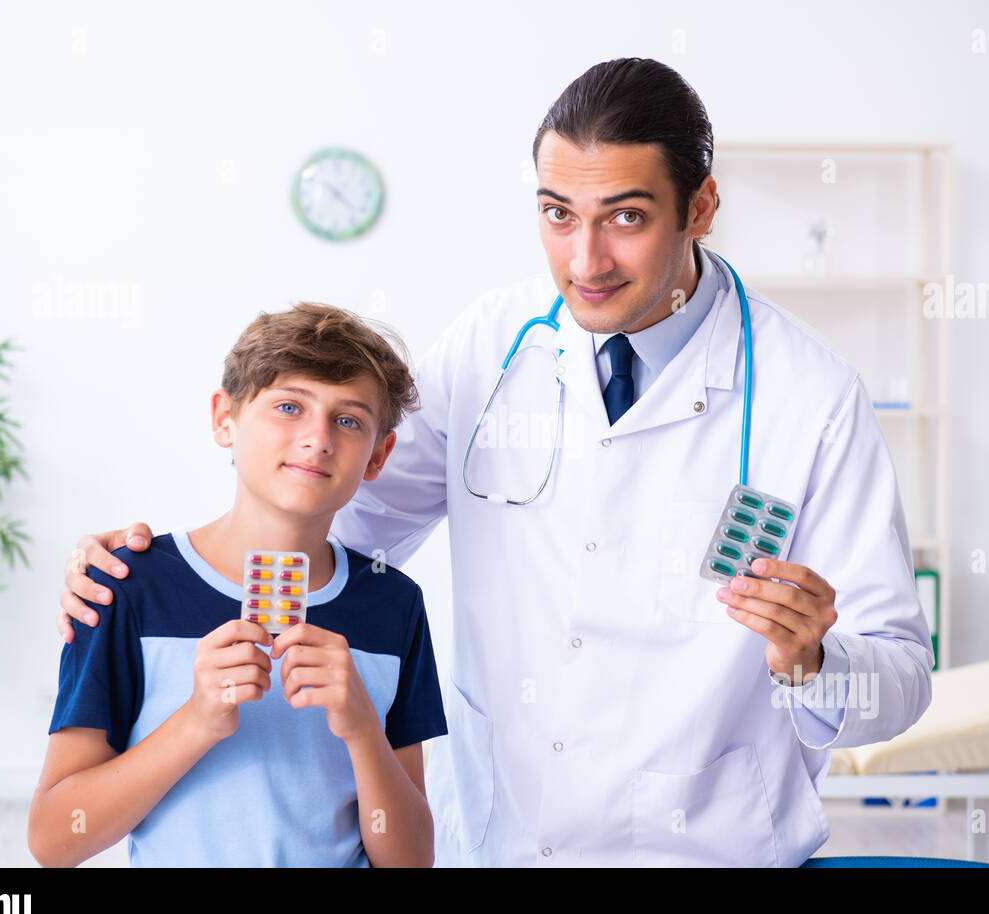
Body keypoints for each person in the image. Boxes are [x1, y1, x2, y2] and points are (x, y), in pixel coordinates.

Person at [56, 58, 933, 867]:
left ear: (700, 207)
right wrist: (151, 568)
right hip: (507, 838)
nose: (583, 262)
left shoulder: (812, 395)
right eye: (558, 214)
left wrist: (814, 662)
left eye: (625, 218)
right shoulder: (492, 344)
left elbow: (900, 679)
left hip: (707, 845)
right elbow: (334, 516)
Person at [30, 304, 447, 867]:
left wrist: (364, 729)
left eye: (348, 420)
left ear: (378, 455)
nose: (317, 439)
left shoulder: (394, 606)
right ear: (224, 417)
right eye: (288, 407)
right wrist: (196, 721)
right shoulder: (127, 587)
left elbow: (411, 860)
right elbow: (54, 840)